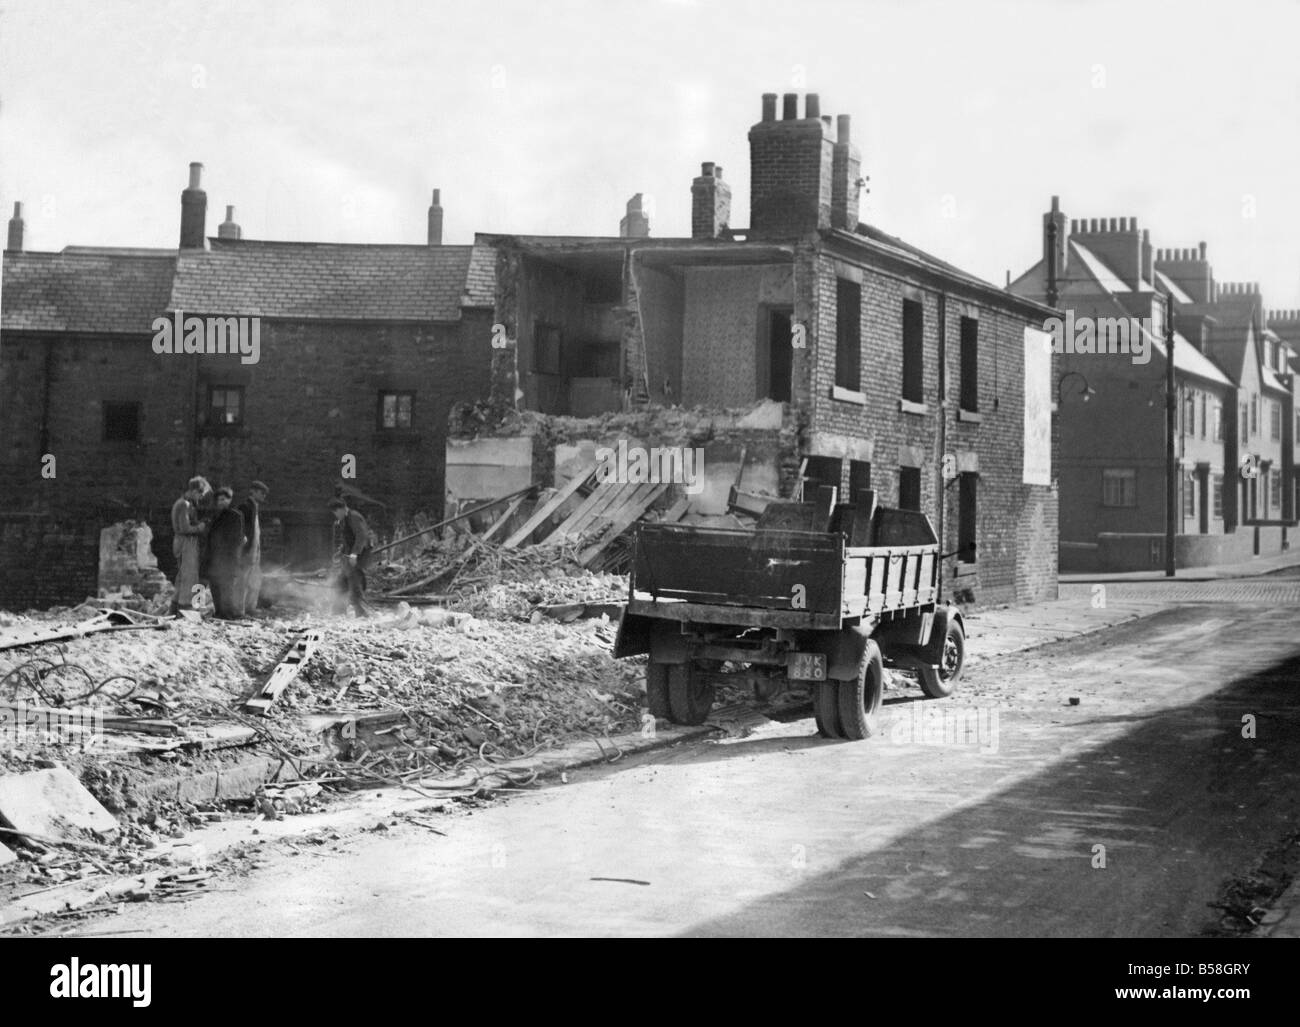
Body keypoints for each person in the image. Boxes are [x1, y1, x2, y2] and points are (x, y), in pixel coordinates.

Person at [170, 476, 211, 614]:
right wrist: (201, 526)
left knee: (182, 577)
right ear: (195, 491)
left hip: (183, 542)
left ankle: (174, 608)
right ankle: (186, 608)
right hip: (186, 542)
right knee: (189, 576)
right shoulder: (184, 505)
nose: (200, 498)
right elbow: (185, 528)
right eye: (201, 494)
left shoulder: (184, 503)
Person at [206, 487, 247, 620]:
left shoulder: (235, 516)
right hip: (215, 556)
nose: (220, 502)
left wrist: (229, 555)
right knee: (215, 585)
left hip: (228, 557)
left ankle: (228, 614)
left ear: (229, 500)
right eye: (218, 500)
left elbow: (237, 539)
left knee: (226, 587)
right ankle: (219, 612)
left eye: (223, 499)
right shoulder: (216, 516)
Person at [329, 497, 373, 617]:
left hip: (358, 557)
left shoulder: (354, 517)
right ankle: (338, 612)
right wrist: (341, 551)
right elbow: (348, 539)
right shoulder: (345, 519)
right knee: (341, 584)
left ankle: (363, 614)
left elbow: (361, 536)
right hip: (349, 557)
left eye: (336, 512)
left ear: (342, 509)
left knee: (355, 585)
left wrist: (354, 553)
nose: (335, 515)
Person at [237, 480, 269, 615]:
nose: (264, 496)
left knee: (255, 579)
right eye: (262, 493)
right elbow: (240, 527)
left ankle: (250, 607)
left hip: (255, 548)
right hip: (247, 548)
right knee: (243, 579)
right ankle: (240, 609)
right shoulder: (245, 507)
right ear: (254, 491)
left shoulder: (255, 507)